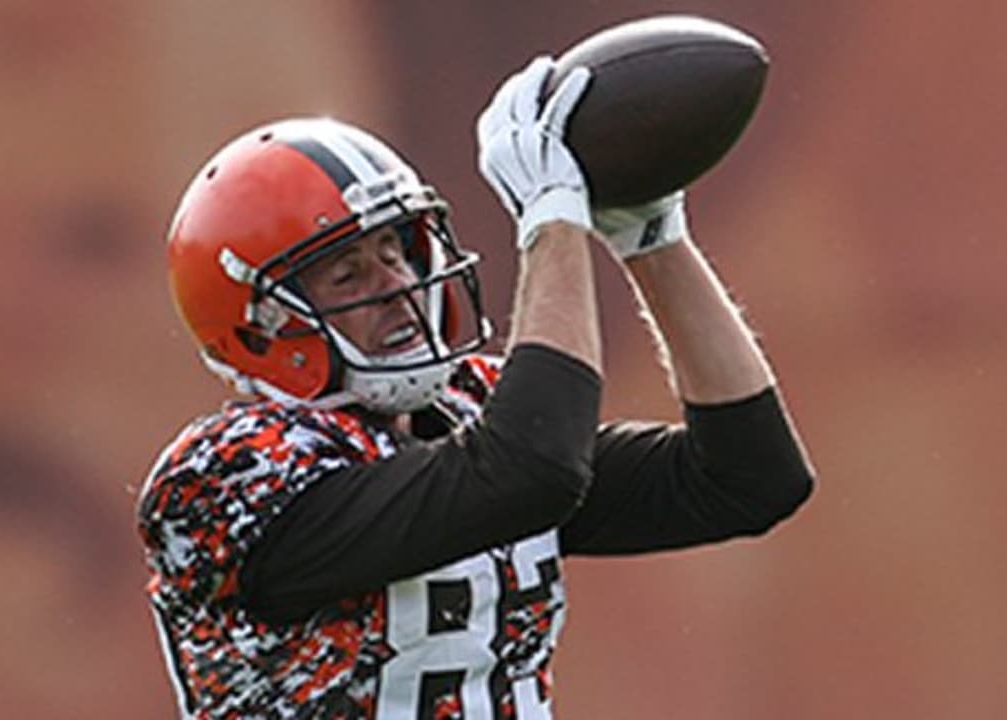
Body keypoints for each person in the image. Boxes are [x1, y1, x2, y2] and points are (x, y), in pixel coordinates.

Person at [137, 56, 814, 719]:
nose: (398, 287)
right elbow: (528, 471)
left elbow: (746, 479)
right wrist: (551, 221)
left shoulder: (465, 414)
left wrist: (653, 238)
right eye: (348, 275)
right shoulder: (229, 478)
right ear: (263, 328)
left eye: (396, 252)